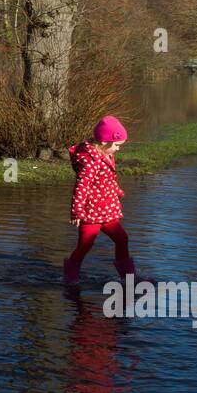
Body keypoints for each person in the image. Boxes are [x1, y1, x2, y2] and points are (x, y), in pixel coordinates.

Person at [64, 116, 144, 284]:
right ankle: (70, 278)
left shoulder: (106, 155)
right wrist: (77, 211)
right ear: (104, 142)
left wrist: (116, 191)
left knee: (122, 238)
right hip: (91, 212)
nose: (118, 149)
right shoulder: (91, 162)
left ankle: (128, 278)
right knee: (85, 245)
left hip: (106, 210)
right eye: (116, 145)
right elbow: (82, 186)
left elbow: (107, 179)